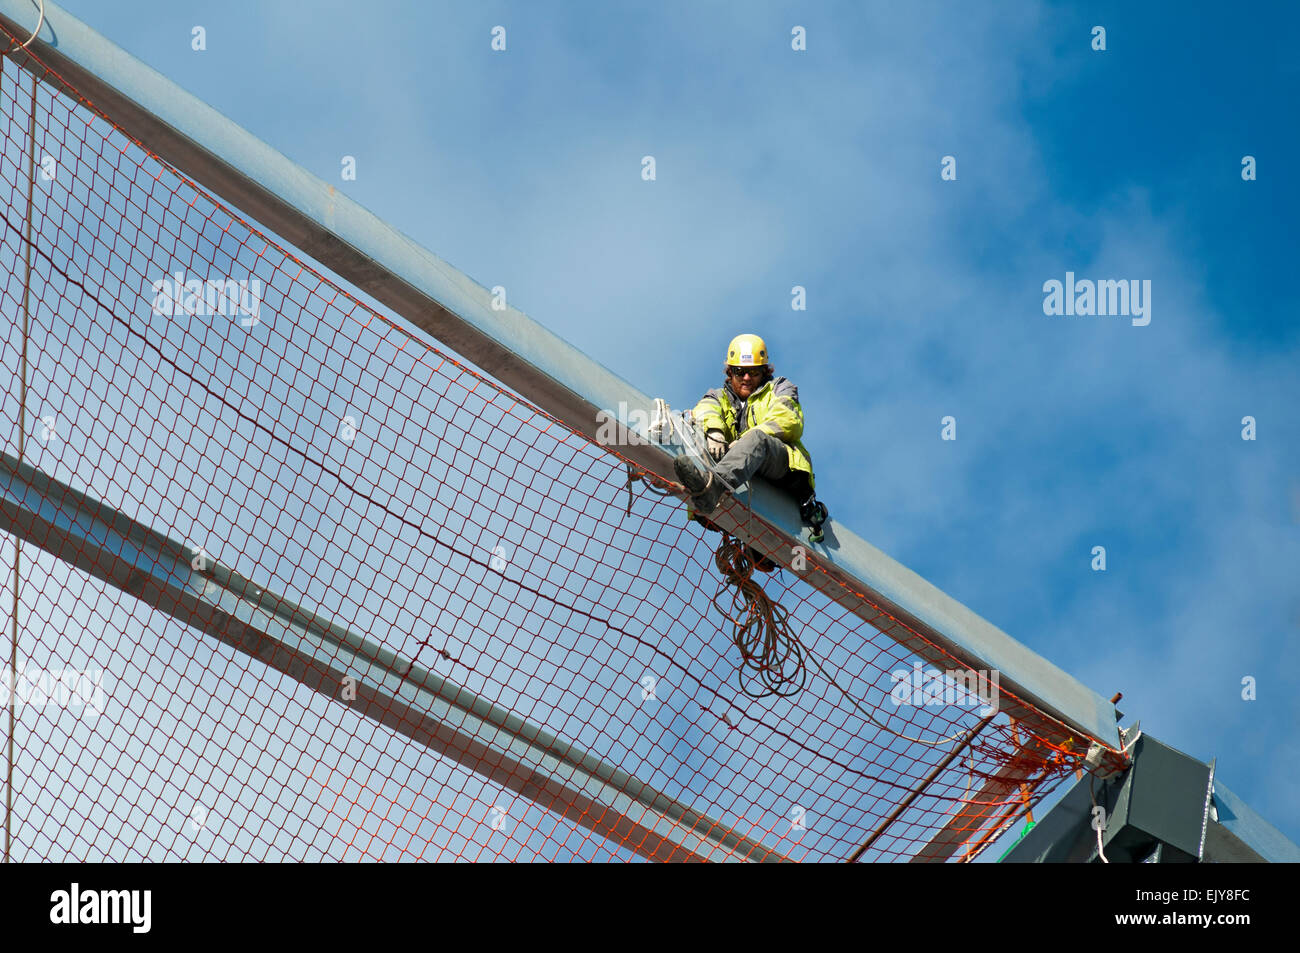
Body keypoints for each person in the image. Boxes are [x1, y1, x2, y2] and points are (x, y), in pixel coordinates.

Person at [674, 333, 816, 519]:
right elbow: (705, 410)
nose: (747, 378)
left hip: (783, 468)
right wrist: (715, 432)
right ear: (730, 372)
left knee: (757, 439)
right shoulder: (717, 397)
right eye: (740, 371)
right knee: (697, 436)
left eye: (754, 372)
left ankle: (711, 489)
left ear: (765, 372)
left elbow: (788, 419)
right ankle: (696, 493)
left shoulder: (780, 387)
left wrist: (744, 441)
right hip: (744, 473)